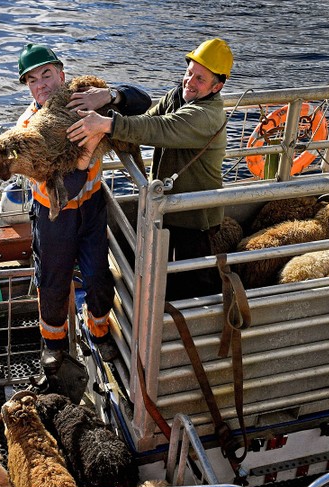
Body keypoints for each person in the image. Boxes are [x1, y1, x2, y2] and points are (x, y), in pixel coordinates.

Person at [15, 43, 151, 376]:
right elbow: (65, 186)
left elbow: (143, 101)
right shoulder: (29, 128)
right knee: (53, 280)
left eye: (47, 74)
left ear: (62, 74)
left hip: (91, 210)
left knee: (97, 276)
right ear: (29, 88)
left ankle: (100, 332)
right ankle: (54, 346)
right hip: (54, 218)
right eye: (33, 80)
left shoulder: (83, 99)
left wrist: (108, 97)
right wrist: (89, 147)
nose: (42, 84)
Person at [67, 38, 233, 300]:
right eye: (189, 72)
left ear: (217, 86)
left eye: (201, 79)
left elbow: (159, 129)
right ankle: (165, 320)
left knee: (196, 282)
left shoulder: (206, 116)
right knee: (165, 277)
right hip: (167, 207)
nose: (190, 81)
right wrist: (111, 97)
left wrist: (107, 124)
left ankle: (200, 330)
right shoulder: (179, 95)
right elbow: (148, 118)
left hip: (195, 216)